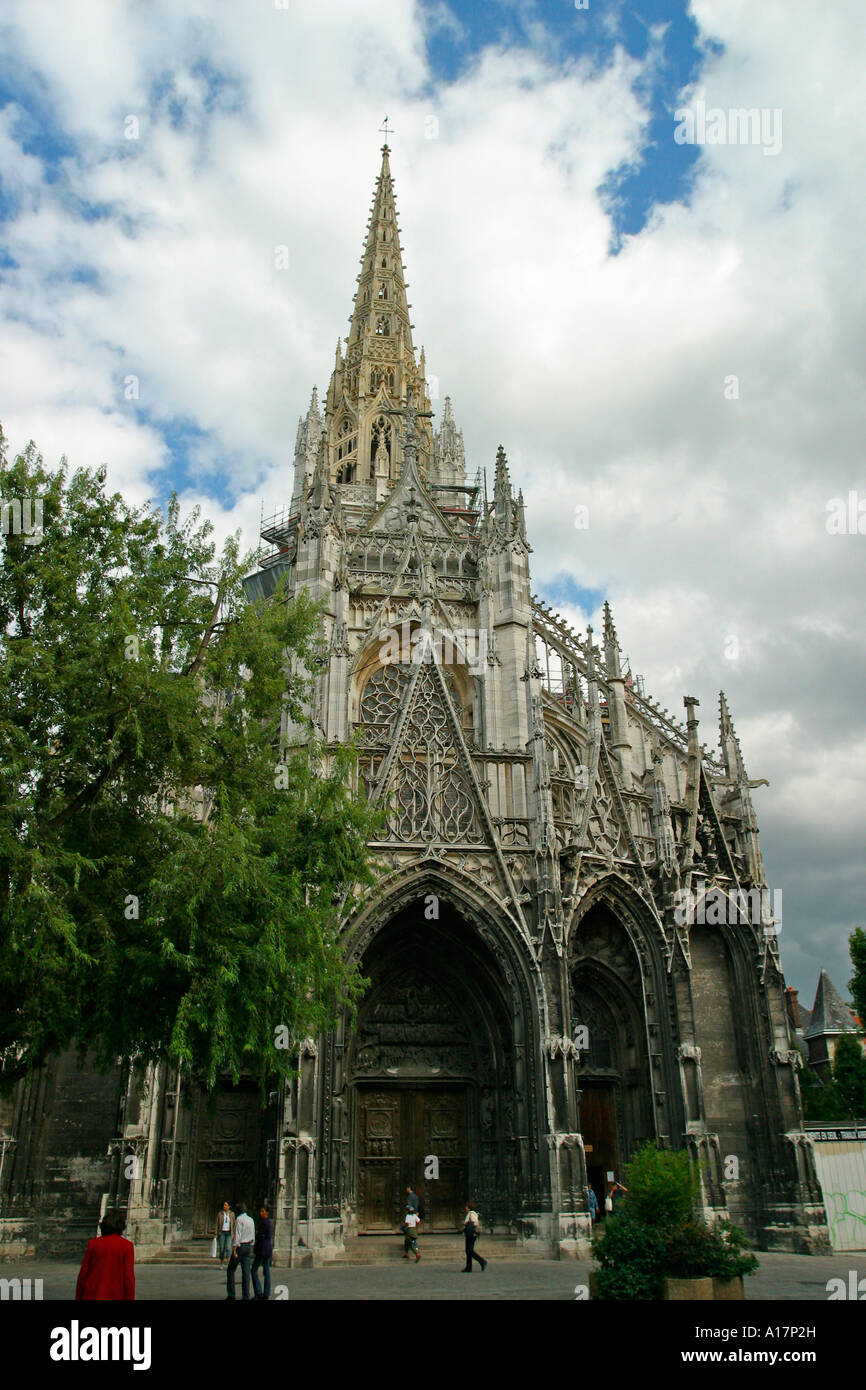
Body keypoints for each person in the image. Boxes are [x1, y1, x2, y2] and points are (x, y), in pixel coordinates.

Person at [75, 1211, 135, 1301]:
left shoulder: (94, 1243)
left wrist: (79, 1296)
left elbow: (83, 1273)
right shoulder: (127, 1246)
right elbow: (129, 1277)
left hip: (92, 1293)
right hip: (115, 1294)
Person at [226, 1202, 255, 1300]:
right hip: (248, 1246)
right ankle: (246, 1295)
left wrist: (234, 1249)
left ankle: (231, 1295)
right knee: (246, 1272)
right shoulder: (251, 1220)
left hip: (240, 1246)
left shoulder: (239, 1219)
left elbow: (237, 1235)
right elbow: (253, 1235)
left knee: (231, 1270)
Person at [252, 1204, 272, 1300]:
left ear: (267, 1212)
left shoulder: (264, 1222)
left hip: (262, 1250)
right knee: (266, 1271)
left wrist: (257, 1235)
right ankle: (266, 1293)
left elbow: (260, 1235)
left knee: (254, 1270)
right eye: (260, 1211)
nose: (261, 1213)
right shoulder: (268, 1222)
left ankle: (259, 1292)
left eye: (262, 1211)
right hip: (267, 1250)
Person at [461, 1203, 486, 1273]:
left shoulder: (472, 1213)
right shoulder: (470, 1214)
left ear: (469, 1208)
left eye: (466, 1207)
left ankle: (482, 1261)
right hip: (469, 1234)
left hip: (471, 1234)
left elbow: (476, 1223)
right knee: (468, 1251)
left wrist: (466, 1223)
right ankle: (468, 1267)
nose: (465, 1208)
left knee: (469, 1251)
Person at [216, 1201, 235, 1265]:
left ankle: (229, 1261)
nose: (224, 1206)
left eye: (226, 1205)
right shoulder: (220, 1214)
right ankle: (221, 1262)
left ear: (229, 1206)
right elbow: (217, 1224)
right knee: (222, 1248)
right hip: (222, 1232)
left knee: (229, 1247)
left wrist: (234, 1233)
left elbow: (234, 1224)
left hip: (229, 1232)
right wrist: (216, 1233)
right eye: (224, 1205)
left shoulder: (232, 1214)